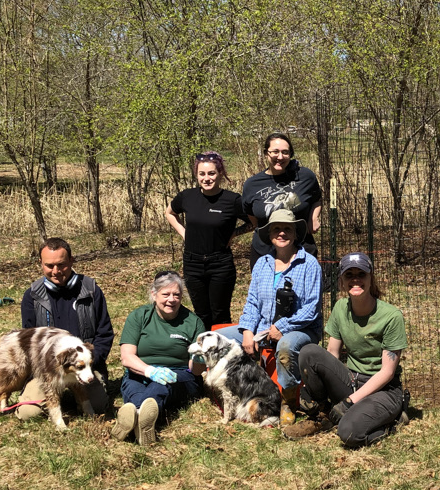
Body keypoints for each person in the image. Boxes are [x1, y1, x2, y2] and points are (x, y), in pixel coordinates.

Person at [289, 252, 408, 448]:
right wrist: (312, 386)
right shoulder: (340, 308)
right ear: (342, 281)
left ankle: (392, 423)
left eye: (361, 274)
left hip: (384, 390)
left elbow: (387, 372)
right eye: (349, 275)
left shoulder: (391, 316)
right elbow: (332, 354)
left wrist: (349, 401)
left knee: (349, 432)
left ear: (371, 278)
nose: (355, 279)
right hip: (352, 381)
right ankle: (322, 414)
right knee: (309, 352)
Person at [218, 209, 322, 425]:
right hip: (262, 328)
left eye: (287, 229)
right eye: (276, 229)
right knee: (218, 338)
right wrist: (247, 331)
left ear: (295, 233)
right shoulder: (262, 263)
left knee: (285, 346)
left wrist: (282, 326)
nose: (281, 233)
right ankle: (233, 395)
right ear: (270, 235)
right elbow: (252, 302)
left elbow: (311, 309)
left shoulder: (309, 263)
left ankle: (287, 403)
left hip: (300, 329)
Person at [19, 237, 114, 420]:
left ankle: (76, 398)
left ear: (71, 261)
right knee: (28, 413)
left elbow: (105, 333)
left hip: (83, 368)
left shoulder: (91, 290)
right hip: (48, 371)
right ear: (41, 263)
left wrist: (90, 361)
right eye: (49, 266)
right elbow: (29, 341)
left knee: (98, 406)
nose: (56, 271)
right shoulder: (32, 296)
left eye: (61, 265)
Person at [115, 271, 206, 445]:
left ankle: (134, 416)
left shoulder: (193, 322)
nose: (171, 299)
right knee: (134, 387)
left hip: (180, 375)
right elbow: (127, 357)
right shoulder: (139, 317)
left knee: (161, 384)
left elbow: (196, 371)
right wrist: (150, 371)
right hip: (141, 371)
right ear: (154, 294)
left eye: (176, 295)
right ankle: (140, 420)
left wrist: (200, 359)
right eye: (166, 294)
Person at [165, 151, 246, 331]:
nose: (206, 178)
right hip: (193, 263)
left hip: (221, 264)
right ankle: (203, 352)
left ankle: (221, 351)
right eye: (202, 174)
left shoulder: (232, 200)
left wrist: (234, 234)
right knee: (201, 313)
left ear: (220, 174)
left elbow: (254, 222)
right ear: (197, 175)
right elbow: (169, 213)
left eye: (211, 173)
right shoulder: (187, 197)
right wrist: (184, 232)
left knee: (220, 313)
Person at [241, 132, 323, 269]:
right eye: (275, 152)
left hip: (301, 250)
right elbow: (252, 215)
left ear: (290, 154)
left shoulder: (304, 176)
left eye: (285, 152)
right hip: (264, 251)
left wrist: (314, 217)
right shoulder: (252, 184)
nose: (280, 157)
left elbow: (317, 199)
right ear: (266, 153)